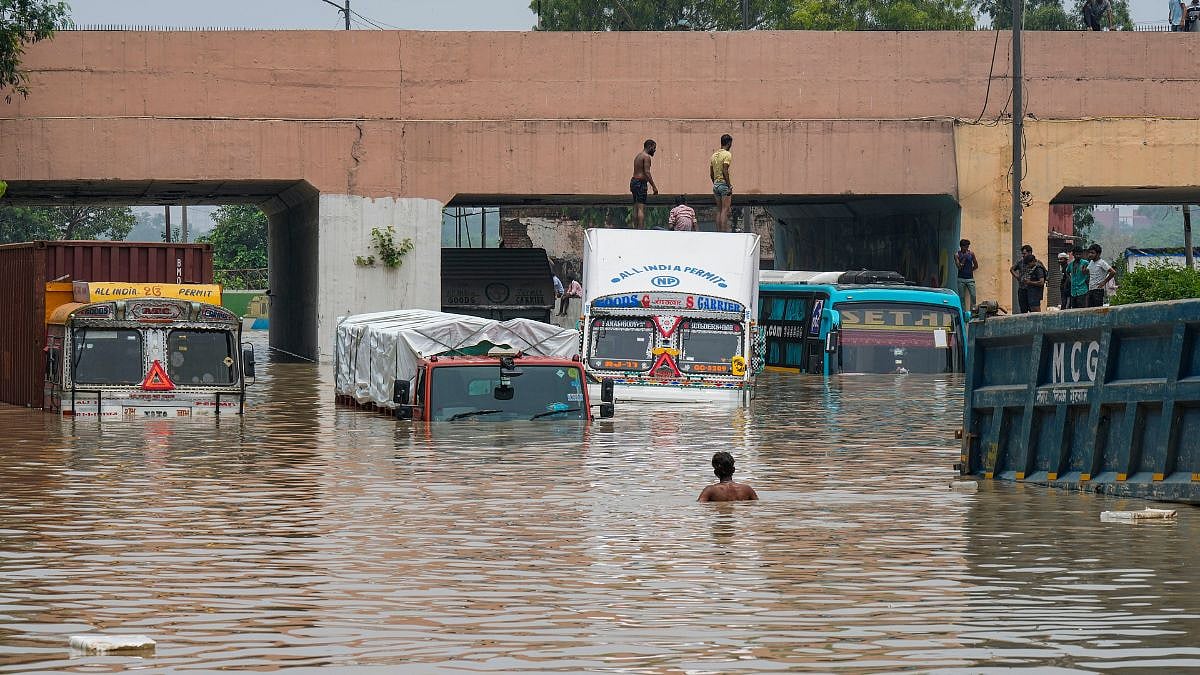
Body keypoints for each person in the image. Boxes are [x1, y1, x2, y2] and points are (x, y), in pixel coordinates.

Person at [1009, 244, 1047, 314]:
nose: (1023, 255)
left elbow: (1044, 275)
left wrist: (1031, 282)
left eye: (1024, 253)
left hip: (1033, 290)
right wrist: (1017, 277)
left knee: (1034, 310)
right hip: (1022, 288)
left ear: (1030, 253)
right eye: (1022, 254)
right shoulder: (1020, 262)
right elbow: (1012, 269)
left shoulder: (1037, 264)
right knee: (1023, 309)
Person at [631, 139, 659, 229]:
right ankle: (641, 230)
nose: (655, 150)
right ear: (650, 146)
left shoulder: (638, 156)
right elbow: (647, 172)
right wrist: (654, 187)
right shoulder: (646, 157)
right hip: (640, 183)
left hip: (634, 182)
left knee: (636, 206)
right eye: (654, 148)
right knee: (641, 207)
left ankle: (635, 228)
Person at [710, 134, 733, 233]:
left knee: (719, 210)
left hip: (716, 184)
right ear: (729, 143)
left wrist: (715, 182)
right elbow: (725, 170)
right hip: (724, 184)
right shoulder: (727, 154)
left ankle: (719, 232)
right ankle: (723, 232)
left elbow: (711, 173)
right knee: (725, 210)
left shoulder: (714, 155)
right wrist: (729, 185)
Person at [1086, 243, 1116, 308]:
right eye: (1089, 252)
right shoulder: (1091, 262)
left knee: (1097, 310)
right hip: (1091, 289)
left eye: (1092, 253)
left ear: (1098, 254)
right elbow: (1088, 271)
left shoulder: (1102, 263)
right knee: (1090, 309)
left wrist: (1104, 282)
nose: (1090, 254)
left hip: (1098, 290)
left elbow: (1113, 272)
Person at [953, 239, 979, 312]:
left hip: (970, 279)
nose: (967, 248)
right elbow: (959, 267)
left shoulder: (971, 254)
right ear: (961, 246)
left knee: (973, 296)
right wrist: (964, 257)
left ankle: (972, 313)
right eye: (966, 247)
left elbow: (976, 265)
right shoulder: (957, 255)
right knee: (961, 297)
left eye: (968, 247)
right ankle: (963, 314)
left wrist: (970, 270)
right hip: (961, 279)